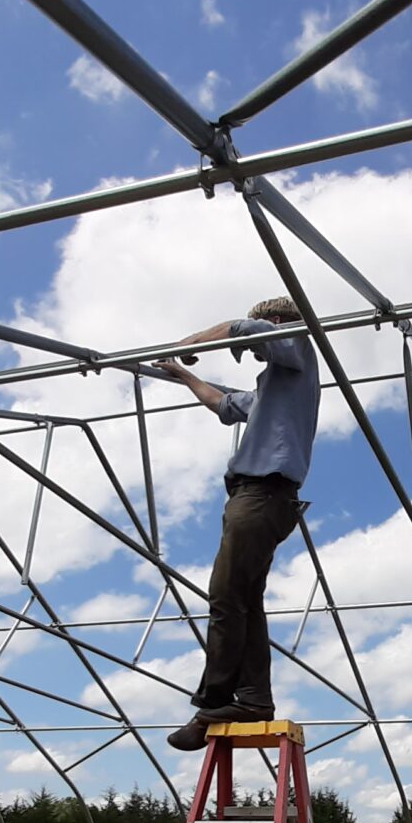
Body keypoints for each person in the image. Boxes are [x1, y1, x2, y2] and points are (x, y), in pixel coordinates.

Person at [153, 296, 318, 751]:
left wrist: (190, 342)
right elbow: (224, 403)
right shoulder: (274, 391)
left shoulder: (299, 349)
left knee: (226, 595)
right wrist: (185, 374)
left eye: (268, 324)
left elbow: (243, 329)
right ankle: (252, 699)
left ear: (277, 324)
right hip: (255, 497)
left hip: (263, 494)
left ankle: (214, 701)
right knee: (244, 601)